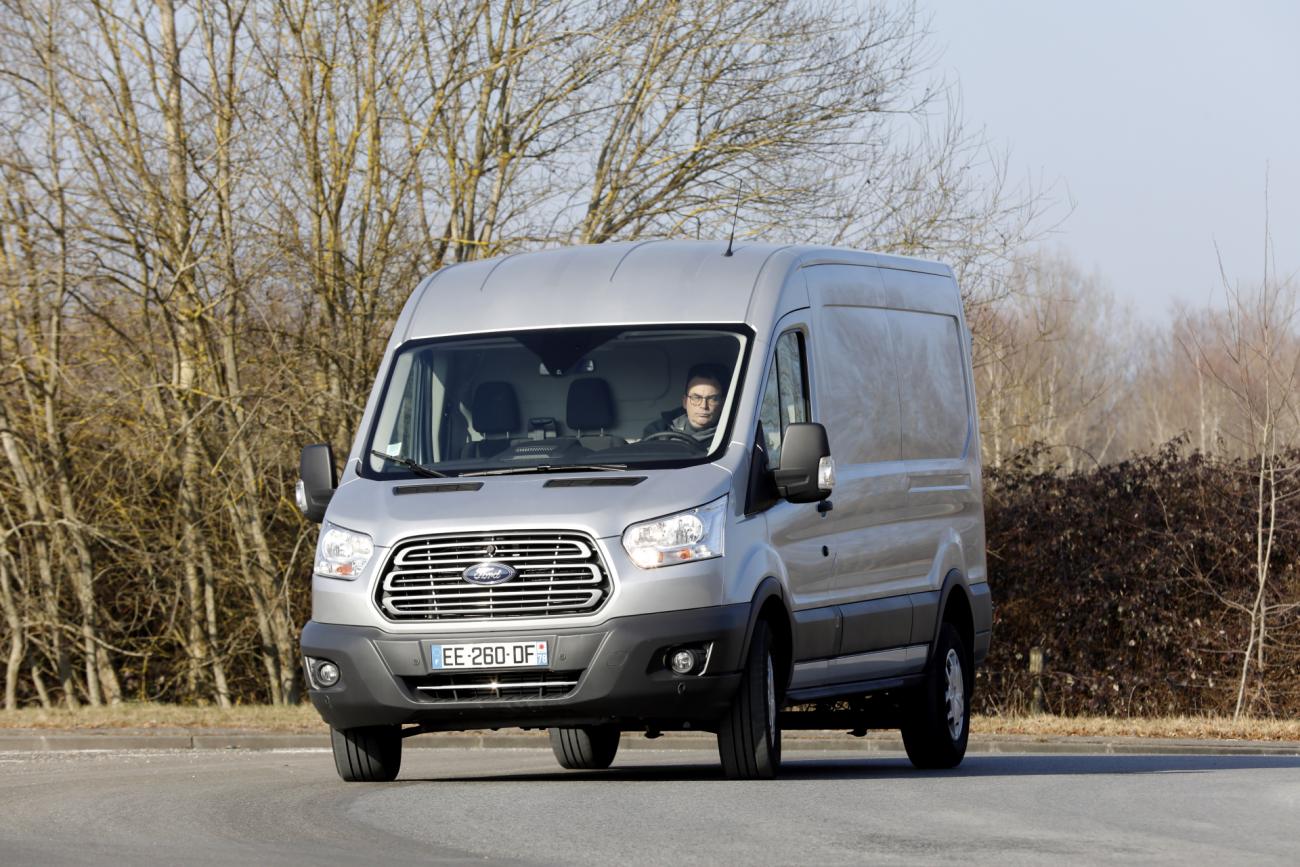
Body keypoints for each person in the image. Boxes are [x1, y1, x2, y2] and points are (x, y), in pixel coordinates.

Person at [642, 364, 729, 443]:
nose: (703, 406)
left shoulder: (730, 437)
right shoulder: (658, 430)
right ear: (685, 402)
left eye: (712, 399)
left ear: (723, 403)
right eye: (696, 398)